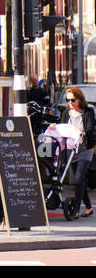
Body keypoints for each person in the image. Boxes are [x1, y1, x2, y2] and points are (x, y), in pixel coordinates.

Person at [59, 87, 95, 217]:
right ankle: (89, 208)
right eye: (67, 100)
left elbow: (90, 128)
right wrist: (54, 127)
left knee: (79, 177)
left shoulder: (88, 112)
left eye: (73, 100)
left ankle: (76, 210)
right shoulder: (65, 113)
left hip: (84, 149)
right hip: (71, 150)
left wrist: (81, 131)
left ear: (80, 99)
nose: (70, 103)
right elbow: (61, 128)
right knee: (79, 181)